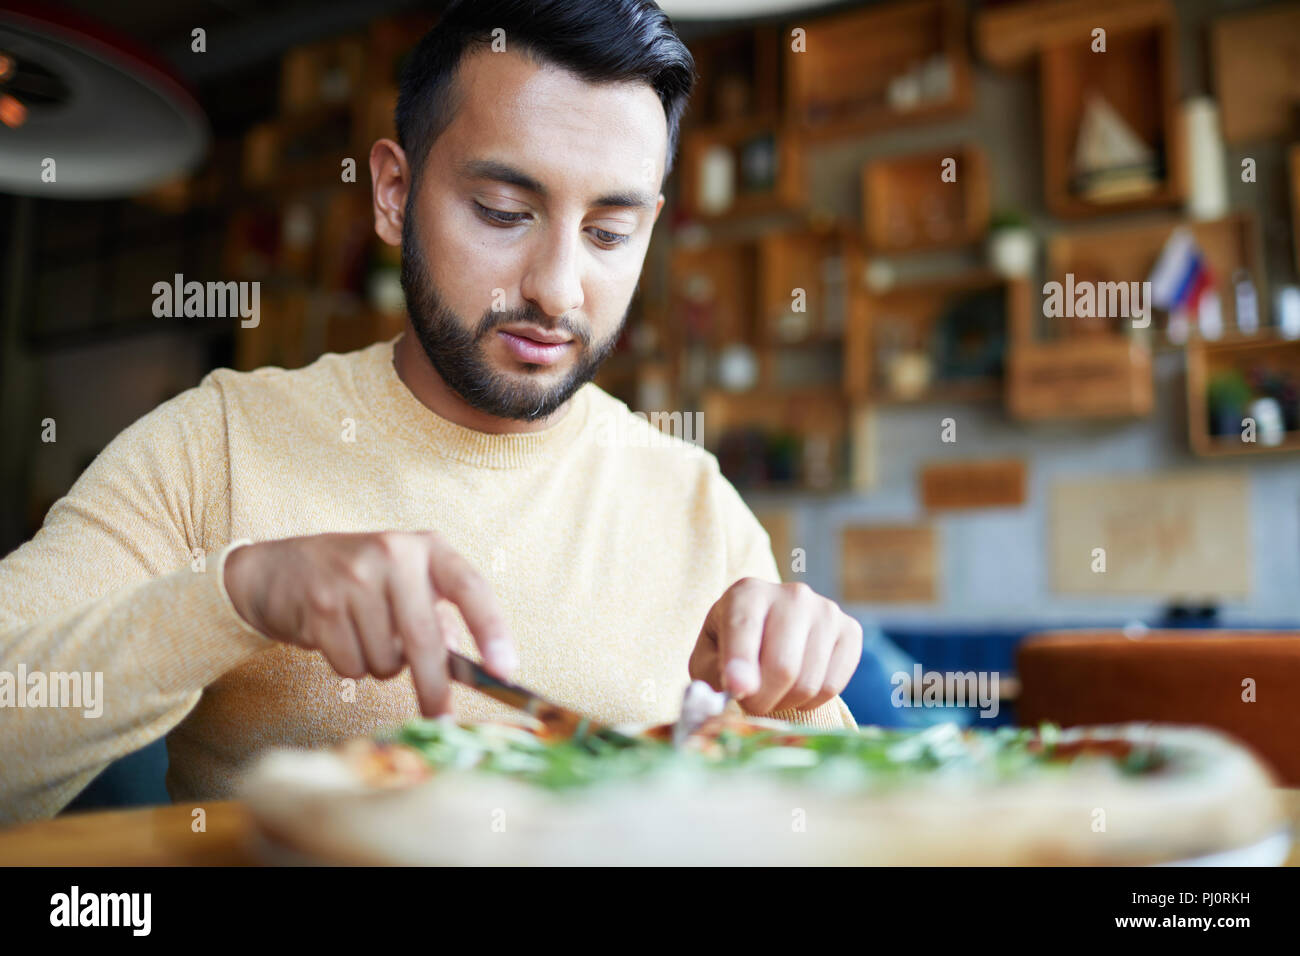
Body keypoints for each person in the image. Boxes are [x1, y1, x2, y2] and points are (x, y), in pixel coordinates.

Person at [0, 0, 861, 824]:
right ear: (392, 192)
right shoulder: (219, 444)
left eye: (608, 232)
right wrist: (233, 596)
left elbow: (848, 829)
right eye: (503, 212)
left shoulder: (696, 504)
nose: (556, 289)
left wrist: (789, 697)